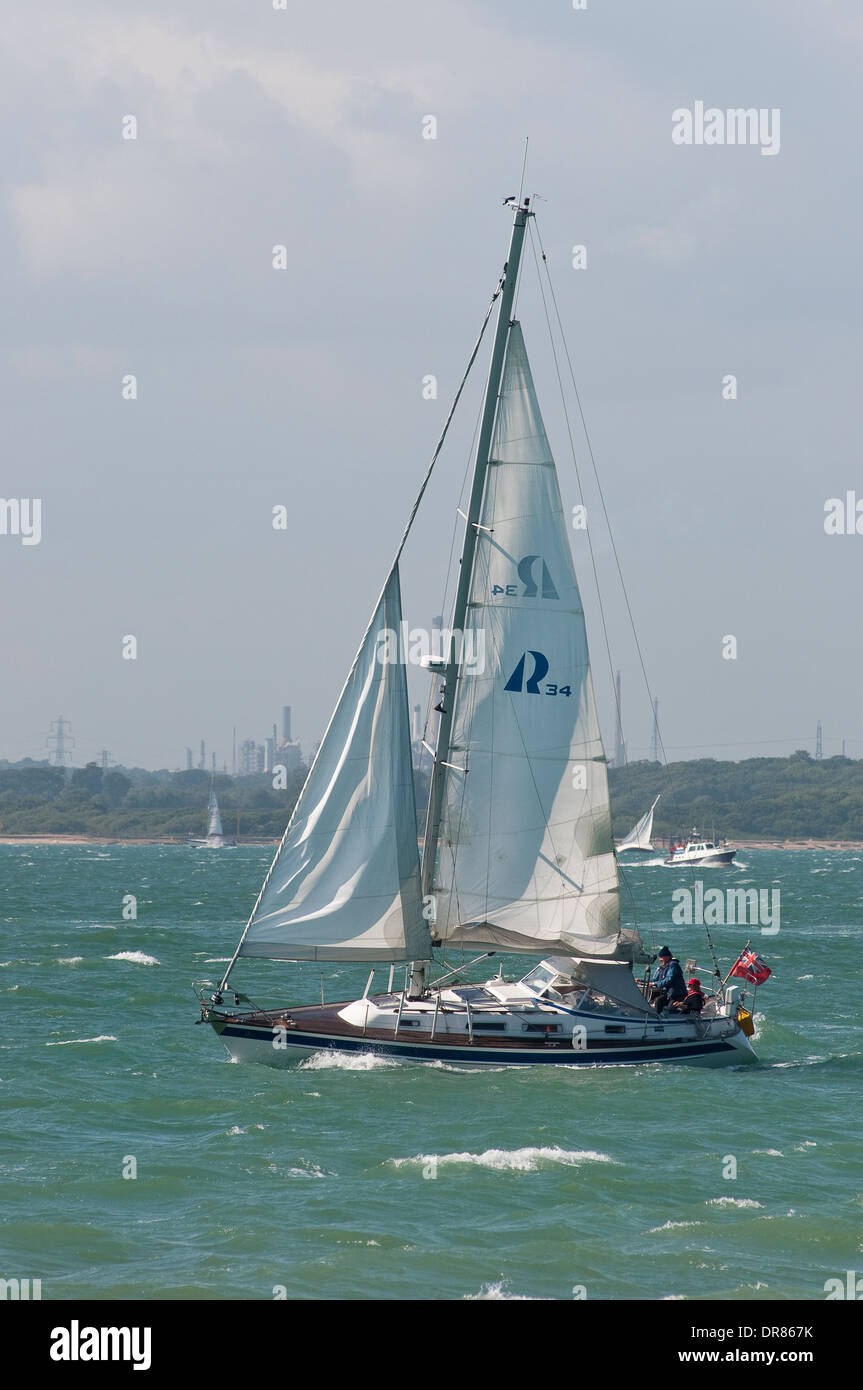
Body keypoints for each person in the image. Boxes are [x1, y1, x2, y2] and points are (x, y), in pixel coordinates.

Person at [648, 946, 686, 1013]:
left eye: (661, 957)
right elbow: (655, 979)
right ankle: (657, 1017)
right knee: (658, 1000)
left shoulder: (673, 966)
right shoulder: (663, 967)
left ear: (667, 957)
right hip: (668, 994)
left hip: (677, 995)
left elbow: (668, 979)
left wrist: (654, 984)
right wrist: (642, 981)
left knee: (670, 1008)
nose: (660, 959)